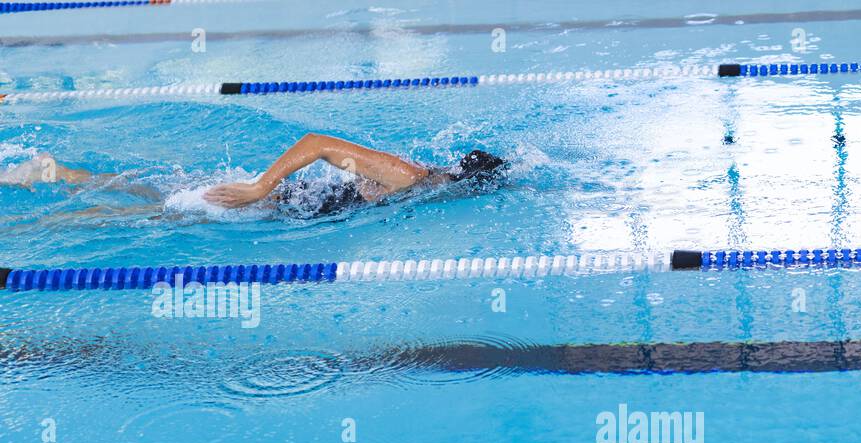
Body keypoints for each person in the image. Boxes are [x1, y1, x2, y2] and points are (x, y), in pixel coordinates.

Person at [0, 134, 506, 220]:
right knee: (150, 217)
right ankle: (27, 229)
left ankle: (53, 172)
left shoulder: (417, 181)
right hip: (268, 203)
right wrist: (259, 187)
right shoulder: (408, 177)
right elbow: (316, 144)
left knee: (156, 197)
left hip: (284, 201)